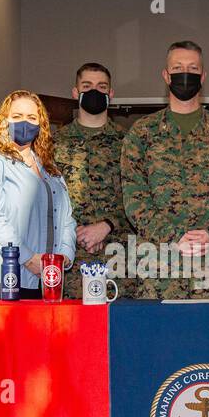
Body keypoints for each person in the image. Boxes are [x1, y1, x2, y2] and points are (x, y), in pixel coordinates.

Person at [121, 40, 209, 298]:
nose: (185, 74)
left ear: (203, 76)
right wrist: (174, 236)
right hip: (158, 266)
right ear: (166, 76)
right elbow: (134, 199)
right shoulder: (143, 133)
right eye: (178, 68)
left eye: (192, 68)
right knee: (158, 338)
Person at [0, 90, 77, 308]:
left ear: (40, 125)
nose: (24, 122)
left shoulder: (51, 172)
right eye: (16, 116)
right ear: (3, 122)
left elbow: (67, 220)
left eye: (31, 118)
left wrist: (62, 258)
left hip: (43, 281)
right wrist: (27, 258)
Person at [53, 62, 131, 298]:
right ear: (75, 93)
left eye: (102, 86)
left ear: (111, 94)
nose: (95, 91)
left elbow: (140, 197)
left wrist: (106, 226)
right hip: (69, 259)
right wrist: (77, 232)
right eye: (87, 86)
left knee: (120, 330)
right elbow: (48, 199)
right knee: (72, 332)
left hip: (119, 258)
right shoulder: (55, 143)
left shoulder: (129, 142)